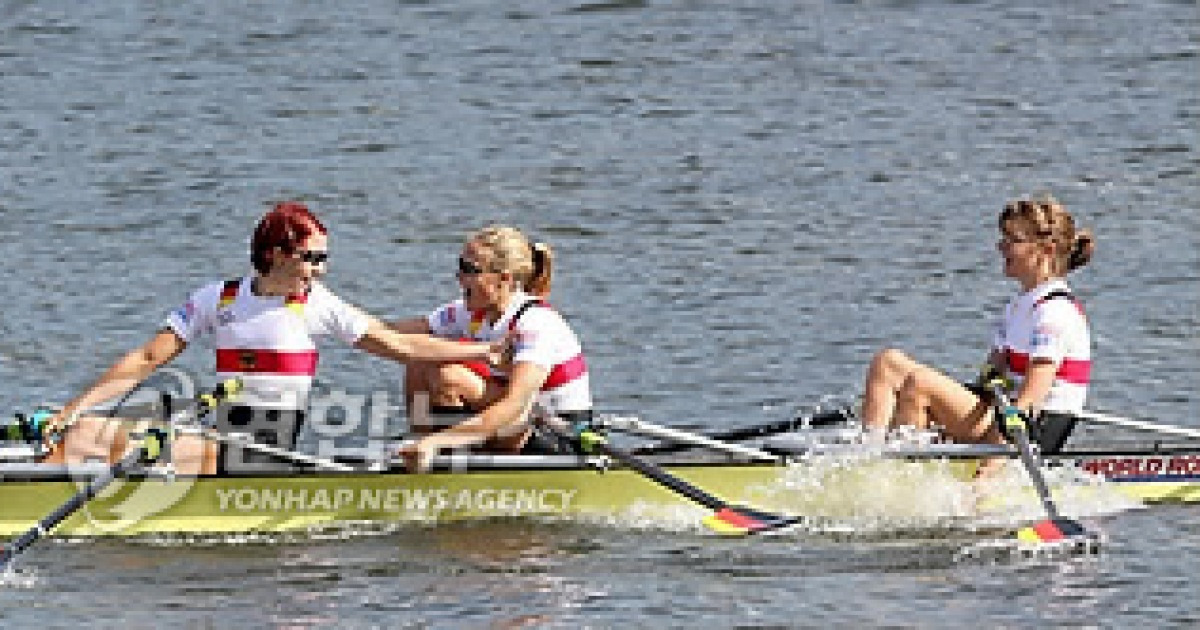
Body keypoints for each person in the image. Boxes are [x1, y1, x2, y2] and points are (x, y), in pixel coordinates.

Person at [44, 202, 506, 471]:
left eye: (324, 259)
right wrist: (72, 408)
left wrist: (483, 350)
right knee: (83, 429)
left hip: (261, 448)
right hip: (217, 434)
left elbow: (400, 345)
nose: (321, 270)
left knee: (89, 438)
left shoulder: (317, 305)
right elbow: (147, 358)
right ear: (277, 255)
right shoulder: (218, 298)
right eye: (313, 259)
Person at [860, 195, 1095, 453]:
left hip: (1032, 431)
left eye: (1013, 240)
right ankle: (870, 454)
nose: (1001, 247)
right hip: (999, 413)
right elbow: (990, 379)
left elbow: (1028, 403)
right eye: (1003, 238)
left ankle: (905, 467)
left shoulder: (1054, 313)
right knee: (887, 363)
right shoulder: (1019, 305)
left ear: (1046, 250)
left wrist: (987, 470)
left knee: (920, 384)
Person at [390, 225, 592, 472]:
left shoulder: (535, 322)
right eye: (460, 265)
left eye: (469, 269)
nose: (459, 276)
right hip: (521, 424)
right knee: (419, 361)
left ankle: (443, 455)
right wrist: (348, 324)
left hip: (559, 436)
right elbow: (394, 335)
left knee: (449, 377)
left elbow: (515, 405)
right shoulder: (472, 312)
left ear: (504, 279)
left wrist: (437, 442)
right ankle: (419, 454)